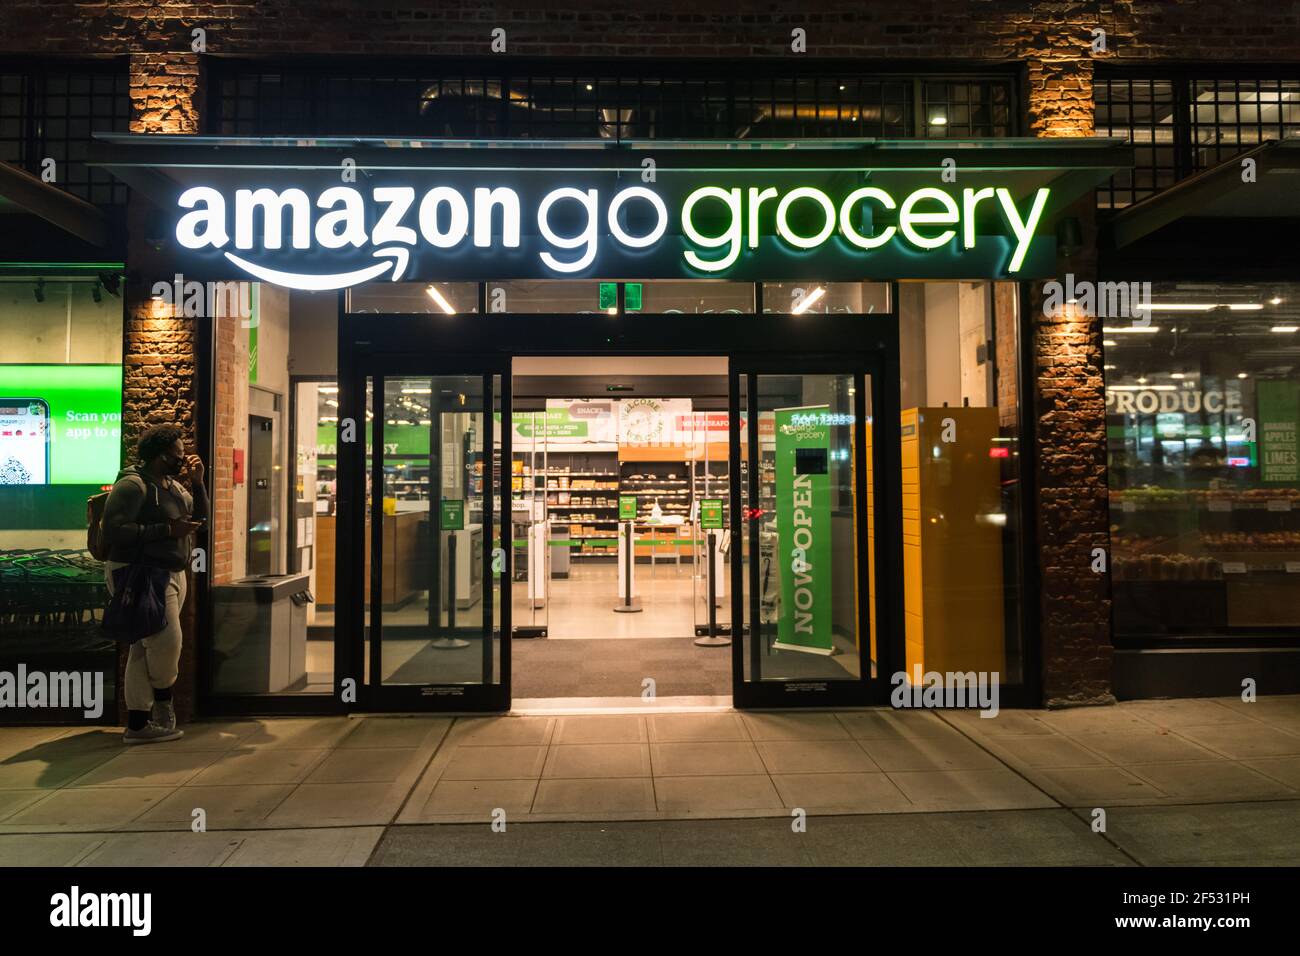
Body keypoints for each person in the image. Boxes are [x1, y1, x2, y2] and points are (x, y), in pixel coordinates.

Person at [102, 424, 207, 744]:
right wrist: (164, 531)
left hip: (172, 574)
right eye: (178, 454)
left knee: (141, 647)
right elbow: (114, 531)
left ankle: (137, 723)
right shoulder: (132, 486)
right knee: (165, 642)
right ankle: (163, 703)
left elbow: (200, 516)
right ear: (160, 456)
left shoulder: (173, 486)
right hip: (141, 575)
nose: (183, 458)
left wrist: (198, 482)